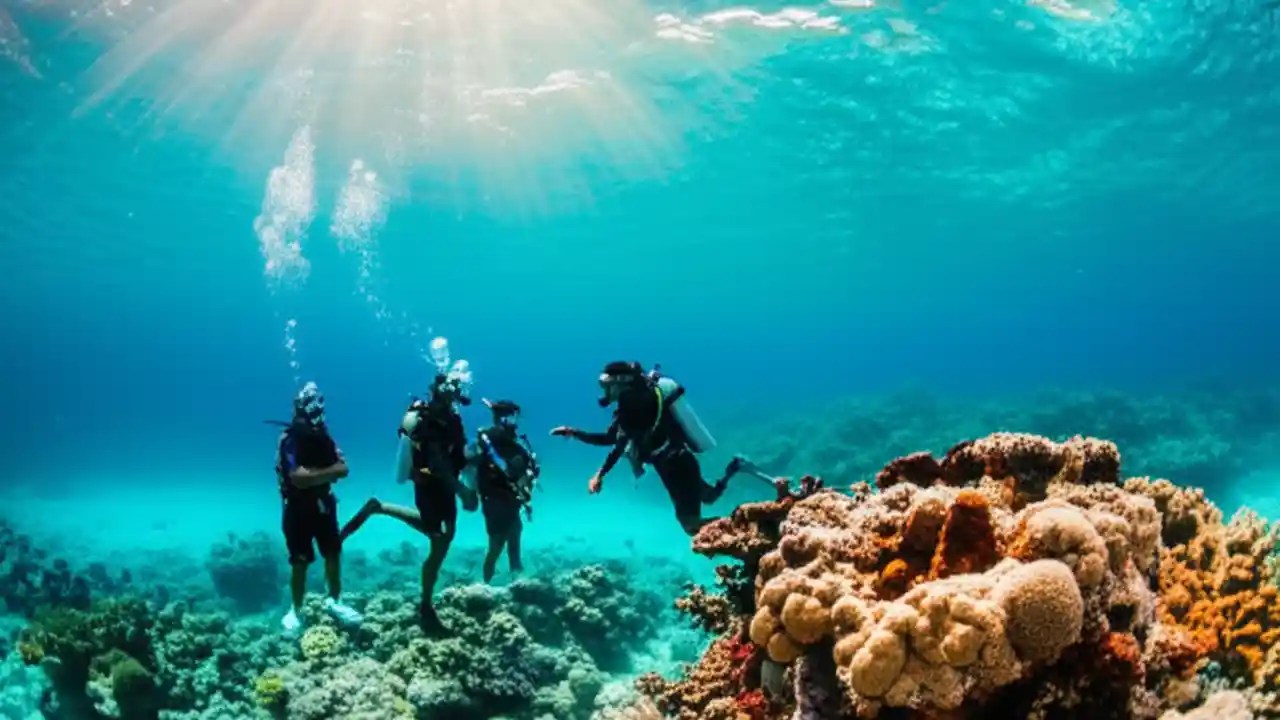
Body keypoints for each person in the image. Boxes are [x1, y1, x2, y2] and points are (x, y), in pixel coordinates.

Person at [339, 372, 474, 634]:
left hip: (443, 488)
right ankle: (425, 607)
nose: (457, 396)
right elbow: (436, 463)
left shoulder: (452, 420)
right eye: (454, 391)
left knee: (441, 535)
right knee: (440, 540)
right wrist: (462, 490)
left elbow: (456, 457)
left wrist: (473, 468)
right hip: (430, 489)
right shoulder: (429, 423)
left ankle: (379, 507)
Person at [551, 361, 742, 536]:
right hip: (677, 462)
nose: (605, 391)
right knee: (708, 497)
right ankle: (735, 468)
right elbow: (612, 438)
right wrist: (573, 432)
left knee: (691, 525)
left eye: (606, 385)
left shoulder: (635, 408)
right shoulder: (636, 401)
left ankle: (746, 529)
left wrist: (600, 474)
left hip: (675, 466)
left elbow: (616, 443)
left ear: (620, 383)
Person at [274, 381, 363, 637]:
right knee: (299, 561)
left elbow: (343, 470)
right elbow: (297, 477)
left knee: (333, 553)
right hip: (297, 509)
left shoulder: (325, 437)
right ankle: (296, 610)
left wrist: (314, 476)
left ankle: (335, 601)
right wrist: (326, 474)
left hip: (323, 506)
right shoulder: (289, 440)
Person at [468, 398, 540, 583]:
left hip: (512, 500)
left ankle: (518, 583)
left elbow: (524, 470)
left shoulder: (512, 441)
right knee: (497, 545)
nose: (514, 421)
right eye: (511, 416)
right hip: (495, 500)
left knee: (514, 541)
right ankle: (484, 588)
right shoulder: (489, 439)